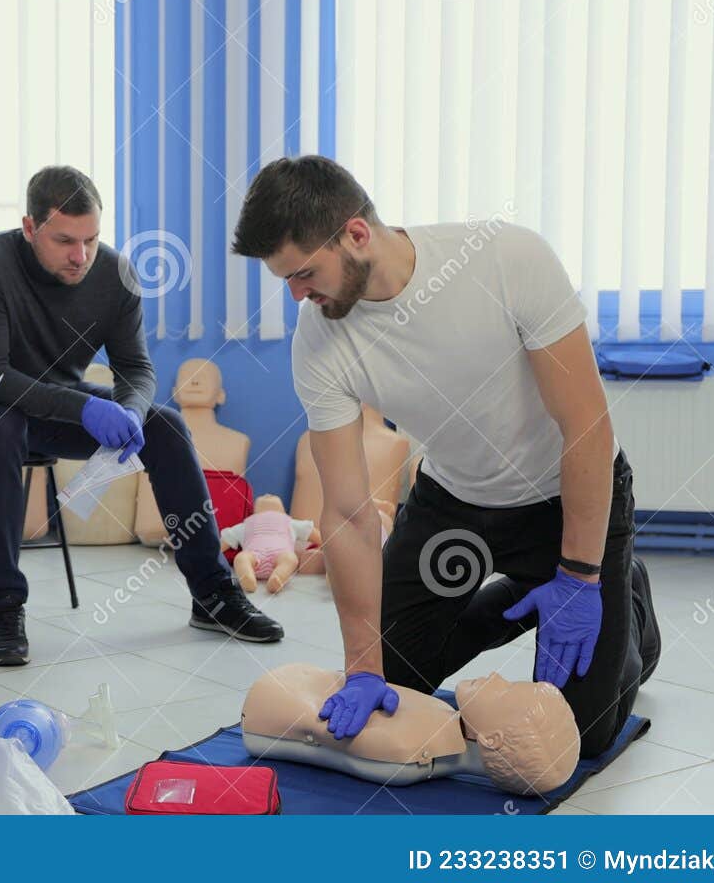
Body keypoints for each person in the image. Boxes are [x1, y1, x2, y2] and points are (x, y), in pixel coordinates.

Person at [231, 155, 660, 758]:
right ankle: (523, 600)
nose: (298, 294)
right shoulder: (320, 338)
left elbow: (585, 429)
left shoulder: (507, 260)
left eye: (303, 273)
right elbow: (349, 511)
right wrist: (361, 667)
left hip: (565, 497)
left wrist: (583, 574)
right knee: (395, 686)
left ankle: (627, 595)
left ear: (356, 234)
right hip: (455, 506)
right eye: (287, 281)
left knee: (582, 735)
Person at [0, 166, 284, 666]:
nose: (80, 256)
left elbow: (136, 367)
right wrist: (86, 405)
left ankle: (212, 594)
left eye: (91, 239)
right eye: (64, 241)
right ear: (29, 227)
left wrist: (129, 409)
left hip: (55, 403)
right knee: (0, 425)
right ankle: (4, 606)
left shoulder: (115, 274)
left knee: (164, 425)